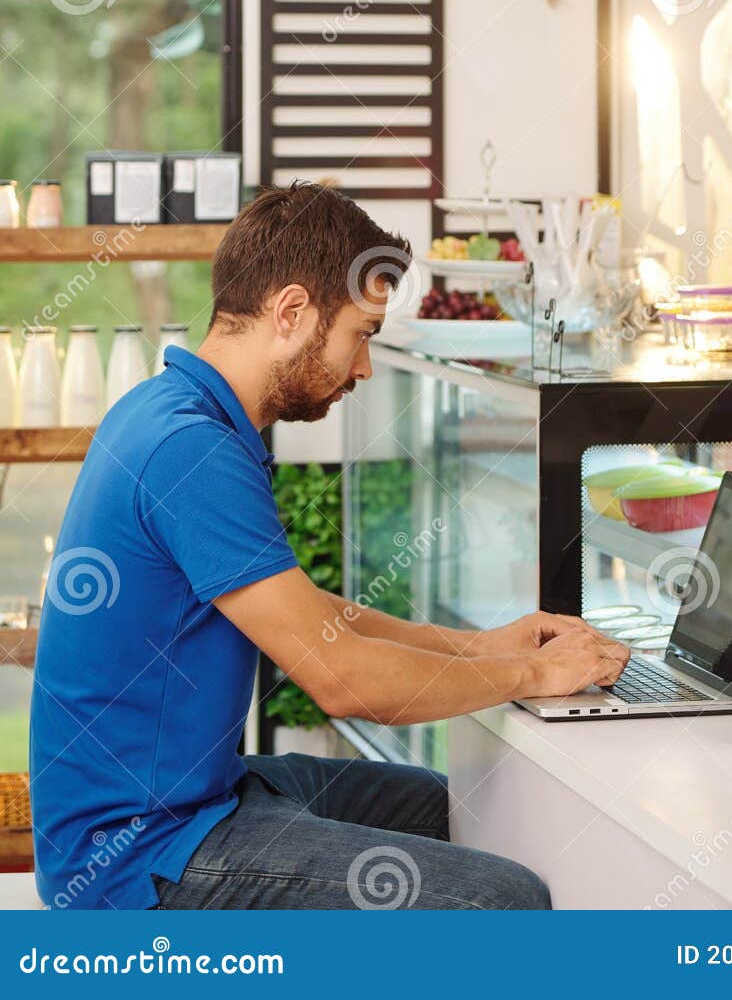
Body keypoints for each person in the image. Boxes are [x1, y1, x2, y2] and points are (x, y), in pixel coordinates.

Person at [30, 184, 628, 910]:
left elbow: (314, 618)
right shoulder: (190, 448)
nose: (364, 367)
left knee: (467, 804)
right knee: (498, 897)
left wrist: (488, 648)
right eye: (363, 333)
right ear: (291, 313)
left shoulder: (175, 411)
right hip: (136, 856)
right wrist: (533, 675)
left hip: (200, 798)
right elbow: (344, 681)